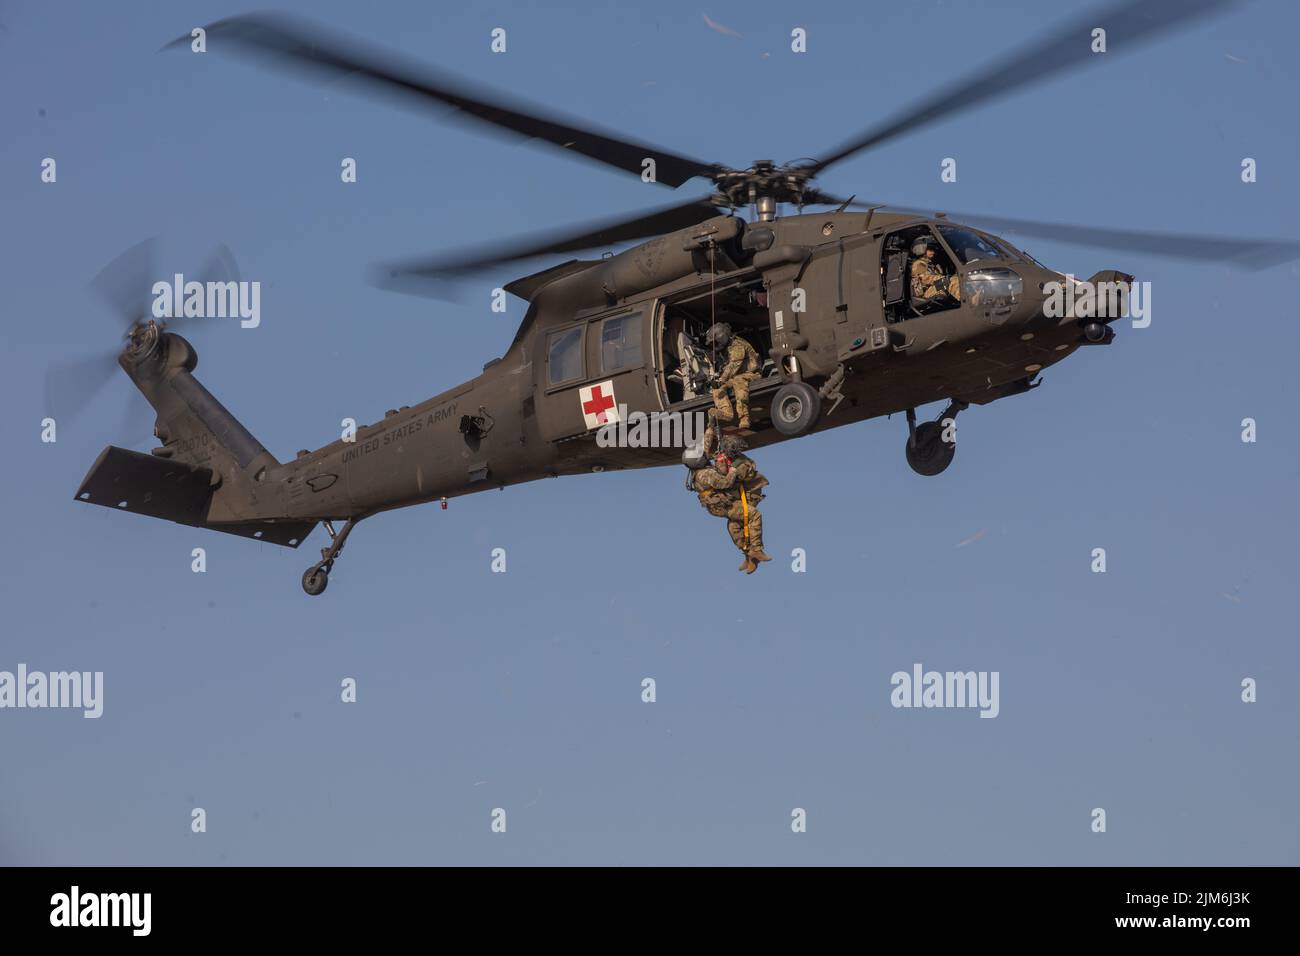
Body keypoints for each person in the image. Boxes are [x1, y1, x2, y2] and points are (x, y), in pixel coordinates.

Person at [689, 434, 771, 573]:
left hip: (718, 505)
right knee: (754, 515)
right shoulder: (707, 474)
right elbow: (726, 482)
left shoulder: (696, 471)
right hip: (724, 504)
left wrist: (710, 430)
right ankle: (756, 550)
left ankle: (749, 556)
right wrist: (732, 471)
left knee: (734, 525)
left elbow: (705, 448)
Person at [704, 322, 761, 430]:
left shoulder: (737, 345)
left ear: (721, 338)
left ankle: (744, 417)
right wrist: (718, 381)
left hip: (752, 374)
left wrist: (722, 378)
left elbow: (734, 365)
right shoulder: (726, 349)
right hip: (737, 376)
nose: (714, 346)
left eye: (715, 343)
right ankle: (726, 411)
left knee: (738, 380)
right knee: (718, 388)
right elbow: (727, 367)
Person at [909, 236, 961, 304]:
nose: (933, 252)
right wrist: (944, 278)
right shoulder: (918, 264)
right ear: (922, 250)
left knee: (957, 279)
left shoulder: (932, 265)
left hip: (932, 289)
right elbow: (925, 279)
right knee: (949, 282)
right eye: (930, 250)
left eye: (933, 250)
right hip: (925, 294)